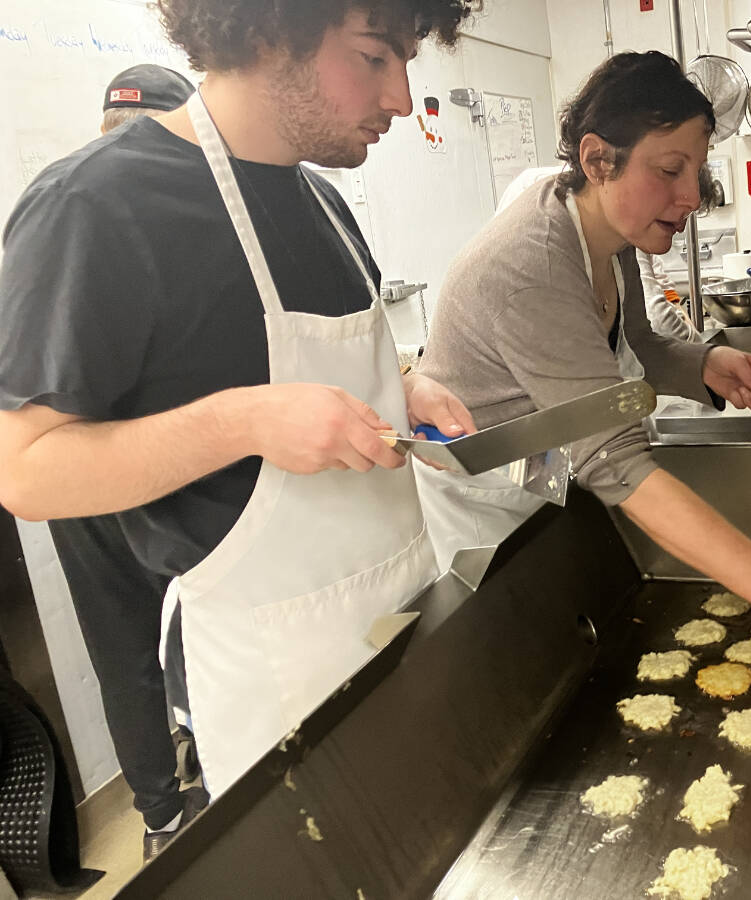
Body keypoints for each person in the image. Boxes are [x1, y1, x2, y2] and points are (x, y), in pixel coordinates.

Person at [0, 0, 476, 806]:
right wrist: (248, 421)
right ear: (266, 30)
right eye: (374, 57)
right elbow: (27, 471)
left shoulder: (323, 205)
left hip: (399, 628)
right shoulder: (95, 207)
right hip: (277, 681)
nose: (400, 97)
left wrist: (403, 380)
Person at [417, 51, 751, 664]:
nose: (691, 196)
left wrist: (704, 366)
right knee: (511, 666)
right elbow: (614, 461)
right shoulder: (531, 264)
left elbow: (635, 343)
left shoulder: (608, 239)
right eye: (669, 170)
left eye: (696, 171)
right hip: (485, 506)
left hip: (548, 481)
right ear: (596, 160)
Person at [39, 64, 207, 862]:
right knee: (190, 635)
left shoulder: (61, 196)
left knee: (125, 657)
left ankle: (161, 815)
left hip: (78, 484)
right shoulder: (153, 202)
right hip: (146, 480)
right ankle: (194, 789)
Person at [498, 164, 699, 341]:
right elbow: (658, 318)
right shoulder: (548, 244)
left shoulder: (625, 241)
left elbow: (639, 340)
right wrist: (696, 343)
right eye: (669, 170)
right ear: (596, 163)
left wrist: (704, 359)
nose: (692, 201)